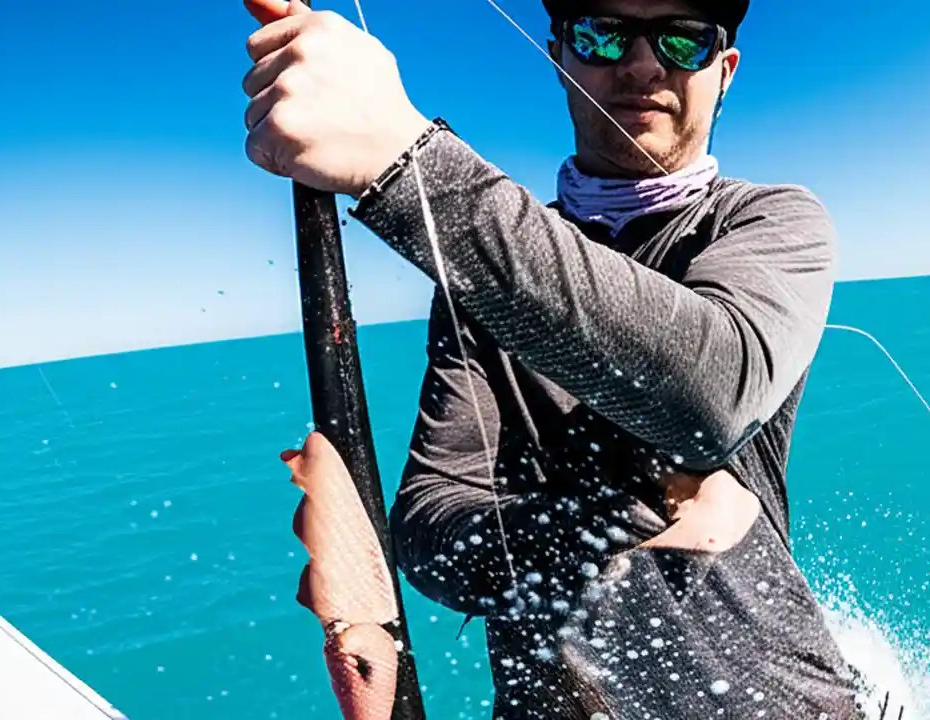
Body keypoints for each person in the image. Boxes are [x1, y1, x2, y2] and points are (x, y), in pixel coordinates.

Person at [244, 0, 863, 717]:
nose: (640, 63)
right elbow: (428, 523)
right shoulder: (476, 285)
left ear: (724, 72)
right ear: (558, 57)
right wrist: (617, 522)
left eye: (683, 40)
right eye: (600, 34)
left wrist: (403, 164)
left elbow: (711, 395)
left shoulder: (769, 222)